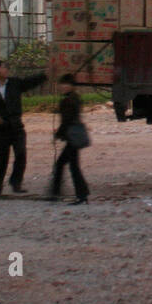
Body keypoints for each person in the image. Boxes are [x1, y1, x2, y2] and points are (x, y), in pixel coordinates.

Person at [0, 59, 48, 196]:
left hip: (16, 126)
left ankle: (16, 183)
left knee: (21, 155)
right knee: (0, 159)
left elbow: (29, 83)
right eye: (3, 67)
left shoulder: (14, 84)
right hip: (0, 129)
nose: (6, 69)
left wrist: (45, 75)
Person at [47, 73, 90, 205]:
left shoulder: (67, 100)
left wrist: (57, 135)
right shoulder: (75, 98)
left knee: (70, 166)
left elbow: (67, 121)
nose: (63, 87)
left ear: (71, 86)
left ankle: (79, 195)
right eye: (63, 84)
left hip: (72, 137)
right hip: (74, 137)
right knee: (66, 165)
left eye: (66, 84)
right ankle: (60, 192)